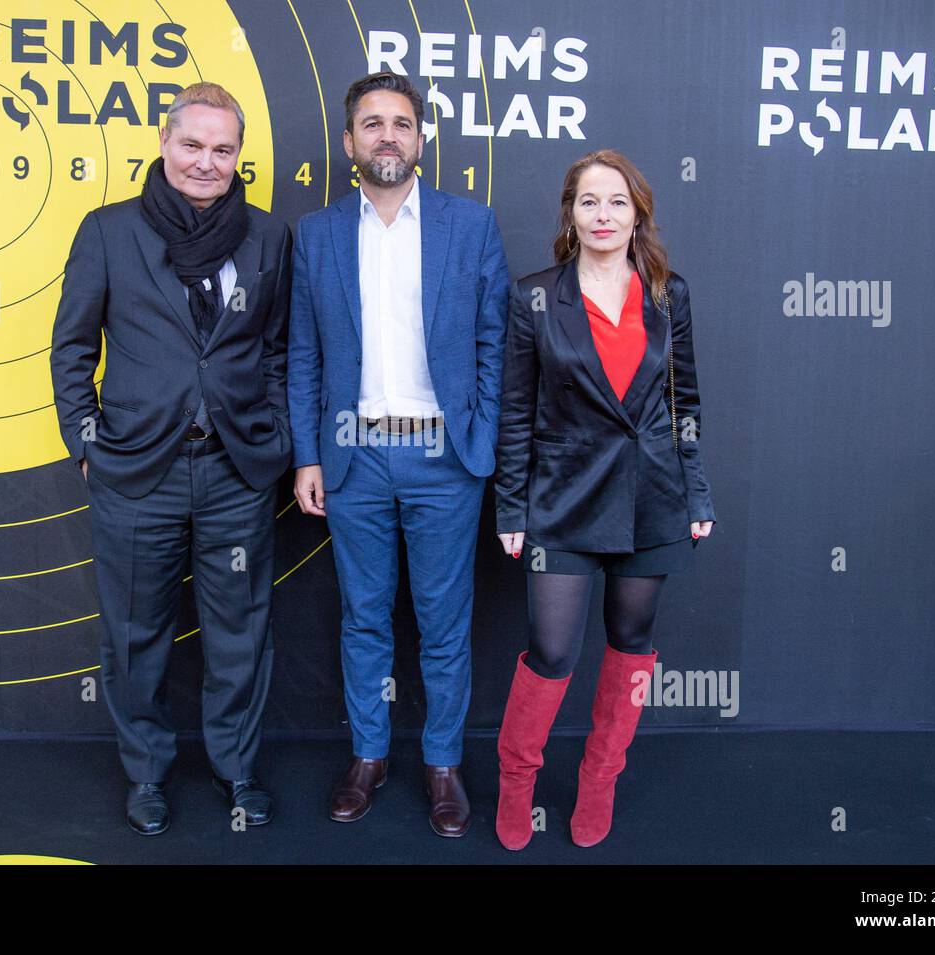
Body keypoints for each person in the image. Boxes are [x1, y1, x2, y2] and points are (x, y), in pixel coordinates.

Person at [50, 82, 293, 836]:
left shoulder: (267, 238)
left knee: (239, 630)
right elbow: (71, 350)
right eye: (193, 144)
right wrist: (89, 445)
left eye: (223, 149)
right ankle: (147, 772)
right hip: (135, 475)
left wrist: (274, 434)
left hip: (235, 475)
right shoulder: (107, 232)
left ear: (237, 155)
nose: (206, 162)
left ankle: (237, 768)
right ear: (164, 142)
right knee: (133, 632)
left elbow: (280, 349)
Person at [288, 71, 509, 837]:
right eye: (372, 123)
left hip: (444, 459)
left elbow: (493, 341)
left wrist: (477, 438)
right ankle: (370, 755)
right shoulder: (316, 234)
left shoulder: (470, 225)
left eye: (403, 123)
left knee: (445, 620)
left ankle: (443, 763)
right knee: (363, 617)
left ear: (422, 138)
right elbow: (304, 354)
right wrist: (308, 454)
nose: (389, 135)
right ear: (349, 141)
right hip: (353, 458)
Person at [492, 148, 717, 850]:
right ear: (570, 213)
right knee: (551, 651)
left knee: (632, 646)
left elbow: (685, 401)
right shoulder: (534, 294)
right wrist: (511, 506)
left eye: (616, 201)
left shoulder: (667, 293)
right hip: (561, 499)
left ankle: (600, 778)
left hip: (652, 496)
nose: (602, 214)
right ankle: (517, 780)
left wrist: (696, 489)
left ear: (637, 213)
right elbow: (514, 409)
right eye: (588, 201)